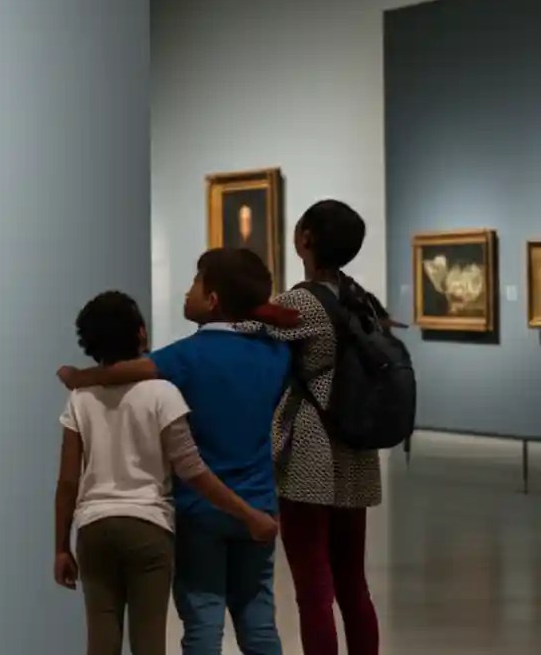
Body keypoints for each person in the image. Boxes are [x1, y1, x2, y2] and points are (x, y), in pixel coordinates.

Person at [57, 249, 290, 655]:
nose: (187, 290)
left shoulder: (184, 357)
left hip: (198, 511)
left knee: (202, 622)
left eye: (195, 281)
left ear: (213, 299)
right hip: (257, 502)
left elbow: (132, 371)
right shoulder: (276, 354)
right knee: (258, 621)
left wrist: (81, 377)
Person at [256, 200, 385, 655]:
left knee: (314, 586)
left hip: (311, 449)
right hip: (358, 447)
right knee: (353, 583)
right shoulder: (364, 301)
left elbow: (247, 324)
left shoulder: (299, 302)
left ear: (305, 238)